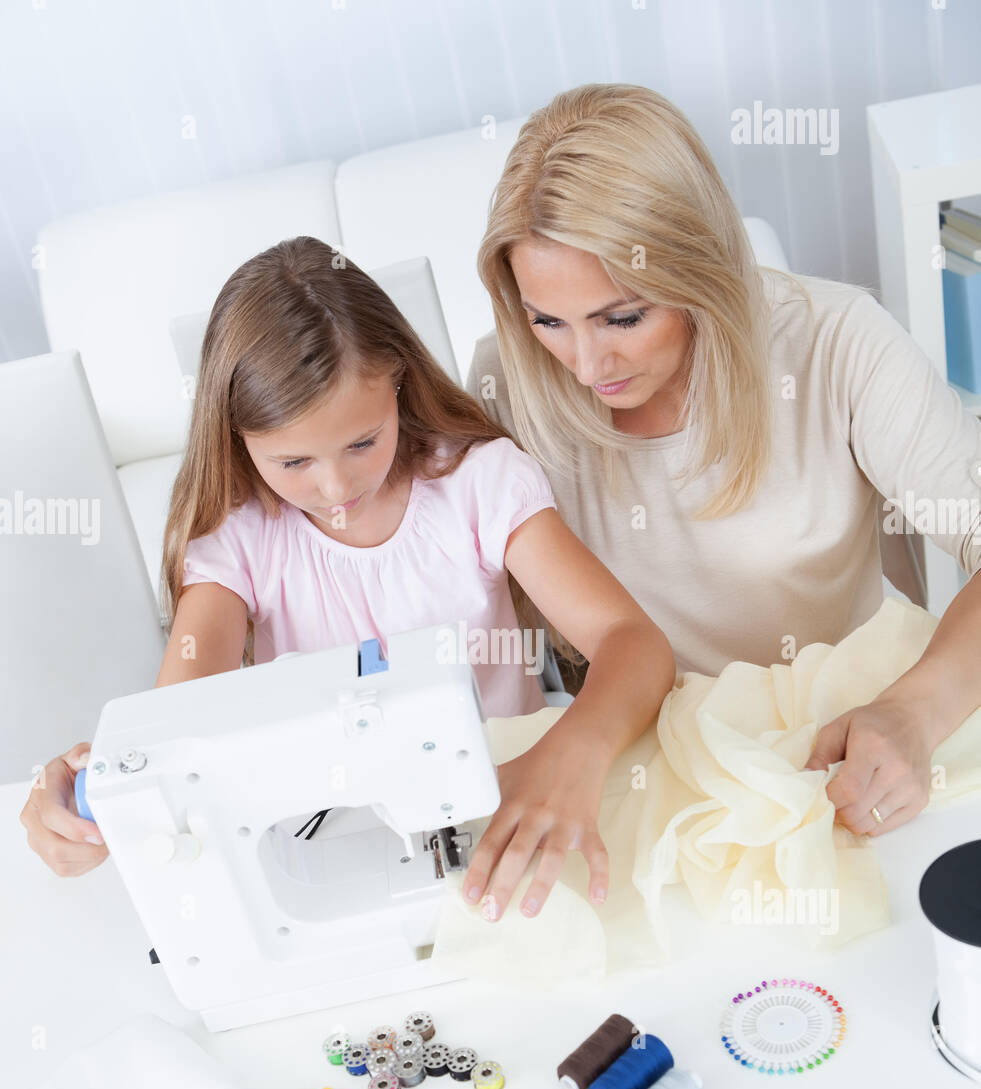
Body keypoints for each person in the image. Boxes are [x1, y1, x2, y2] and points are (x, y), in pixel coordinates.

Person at [20, 237, 675, 921]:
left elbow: (632, 641)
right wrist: (88, 791)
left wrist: (567, 753)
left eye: (362, 442)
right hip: (331, 843)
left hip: (505, 802)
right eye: (293, 461)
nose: (336, 487)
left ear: (398, 382)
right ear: (238, 439)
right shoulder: (237, 539)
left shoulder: (478, 484)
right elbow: (176, 721)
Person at [468, 82, 981, 841]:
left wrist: (914, 711)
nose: (584, 363)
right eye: (548, 320)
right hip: (652, 775)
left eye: (623, 317)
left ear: (697, 267)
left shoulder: (837, 342)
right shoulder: (501, 383)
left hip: (846, 749)